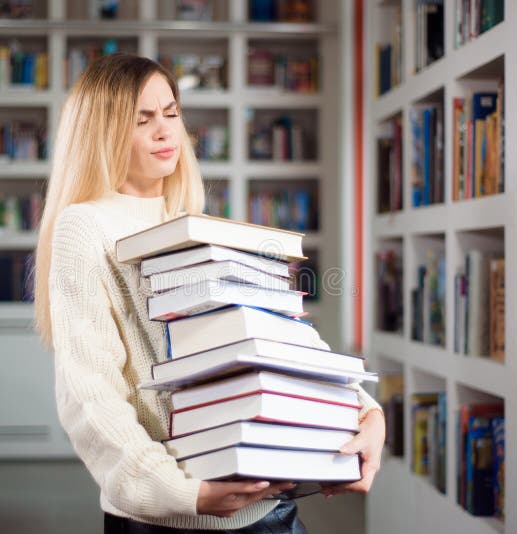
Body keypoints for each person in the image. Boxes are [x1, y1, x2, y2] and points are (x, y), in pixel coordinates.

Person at [34, 53, 386, 533]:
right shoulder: (85, 226)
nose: (165, 132)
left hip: (269, 508)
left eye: (172, 113)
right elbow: (90, 397)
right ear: (102, 131)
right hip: (173, 519)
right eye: (143, 119)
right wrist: (182, 493)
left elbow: (273, 340)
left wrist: (365, 412)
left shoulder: (186, 223)